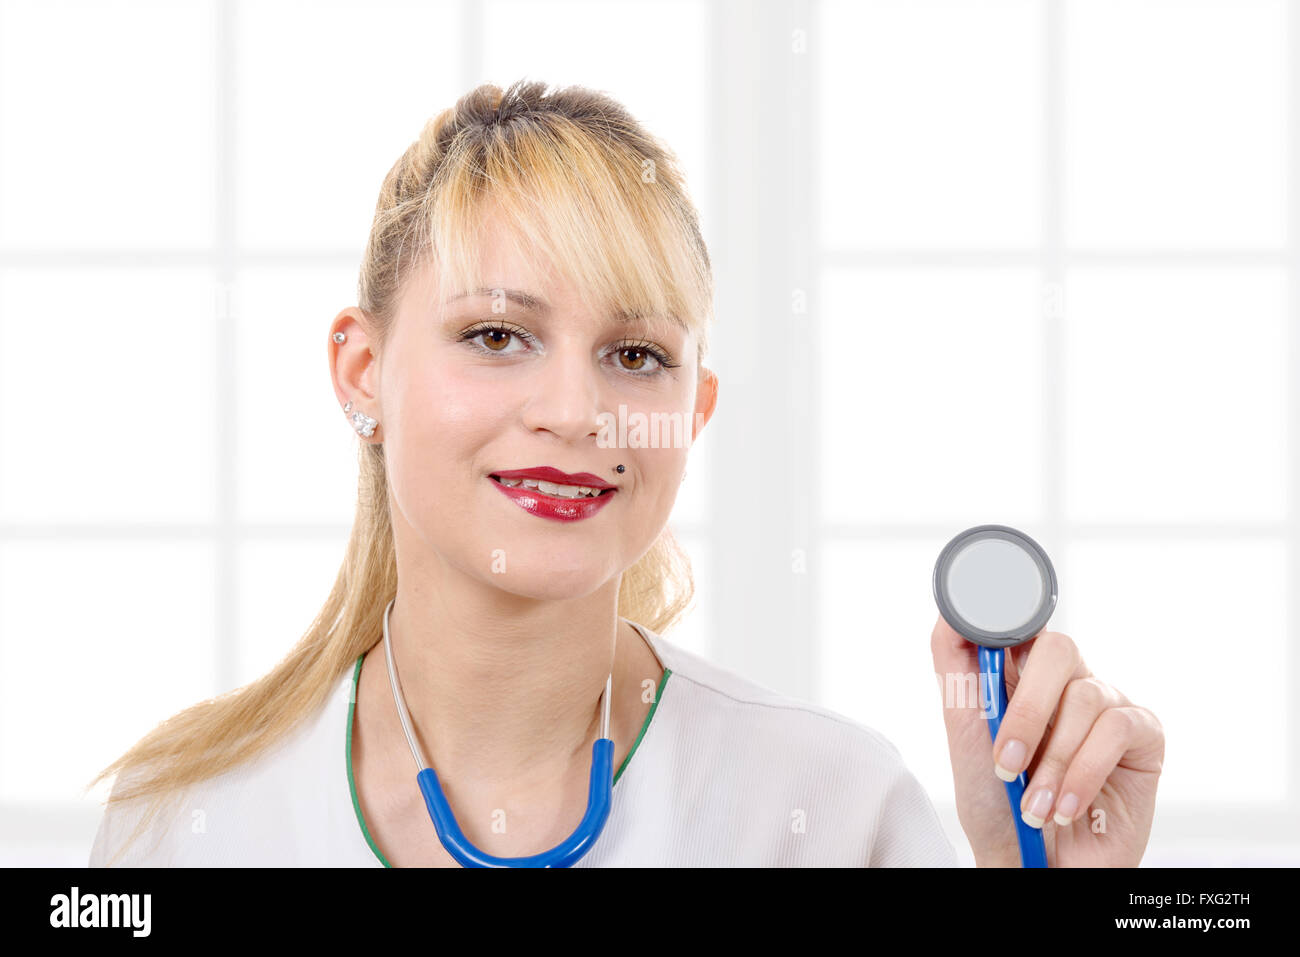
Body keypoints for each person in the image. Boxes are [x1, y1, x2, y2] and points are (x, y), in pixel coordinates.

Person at [87, 78, 1163, 868]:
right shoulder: (179, 820)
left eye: (635, 356)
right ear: (362, 371)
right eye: (498, 336)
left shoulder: (836, 810)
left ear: (691, 414)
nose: (574, 411)